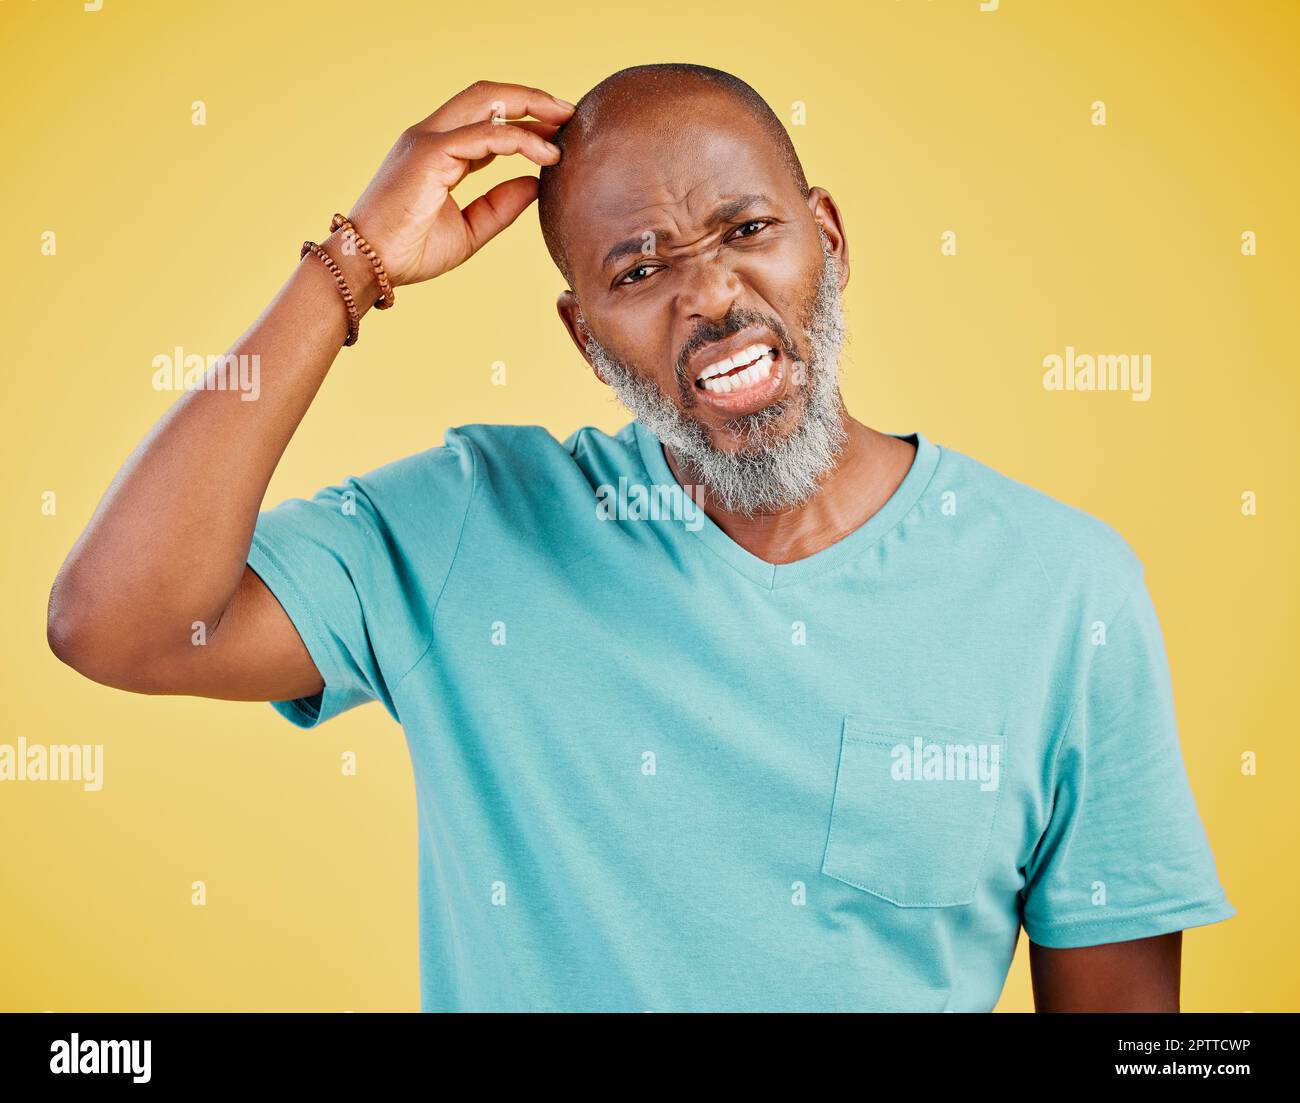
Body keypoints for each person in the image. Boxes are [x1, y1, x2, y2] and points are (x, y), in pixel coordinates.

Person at [47, 64, 1234, 1012]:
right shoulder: (473, 523)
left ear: (826, 236)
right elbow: (118, 622)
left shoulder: (1064, 588)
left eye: (747, 228)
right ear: (586, 337)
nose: (711, 294)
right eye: (638, 267)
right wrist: (347, 265)